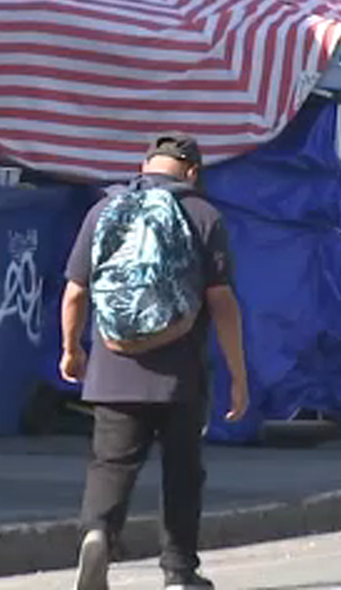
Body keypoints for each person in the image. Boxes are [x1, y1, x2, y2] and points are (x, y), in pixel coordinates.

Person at [60, 134, 248, 590]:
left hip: (113, 369)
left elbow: (76, 292)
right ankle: (179, 572)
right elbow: (221, 303)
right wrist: (238, 376)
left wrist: (72, 349)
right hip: (179, 377)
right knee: (182, 471)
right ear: (192, 173)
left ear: (144, 167)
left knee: (111, 463)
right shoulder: (204, 216)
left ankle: (98, 534)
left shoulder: (103, 211)